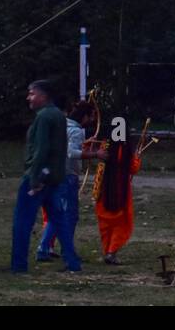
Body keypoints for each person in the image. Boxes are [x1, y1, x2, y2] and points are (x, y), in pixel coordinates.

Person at [10, 80, 82, 272]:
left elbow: (41, 149)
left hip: (38, 177)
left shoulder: (44, 117)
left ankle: (18, 265)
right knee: (59, 220)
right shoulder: (58, 115)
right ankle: (72, 262)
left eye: (32, 93)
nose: (28, 97)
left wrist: (35, 179)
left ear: (43, 96)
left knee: (23, 221)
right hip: (55, 178)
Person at [36, 100, 97, 263]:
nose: (91, 120)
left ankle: (47, 248)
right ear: (84, 116)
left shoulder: (61, 126)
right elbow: (71, 152)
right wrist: (95, 154)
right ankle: (57, 249)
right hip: (67, 176)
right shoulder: (75, 131)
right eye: (90, 116)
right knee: (69, 215)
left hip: (54, 173)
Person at [94, 136, 142, 265]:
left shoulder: (105, 144)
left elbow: (100, 165)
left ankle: (107, 251)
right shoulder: (126, 148)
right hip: (122, 189)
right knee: (121, 222)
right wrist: (137, 156)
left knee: (105, 222)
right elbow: (133, 168)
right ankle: (111, 252)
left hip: (105, 187)